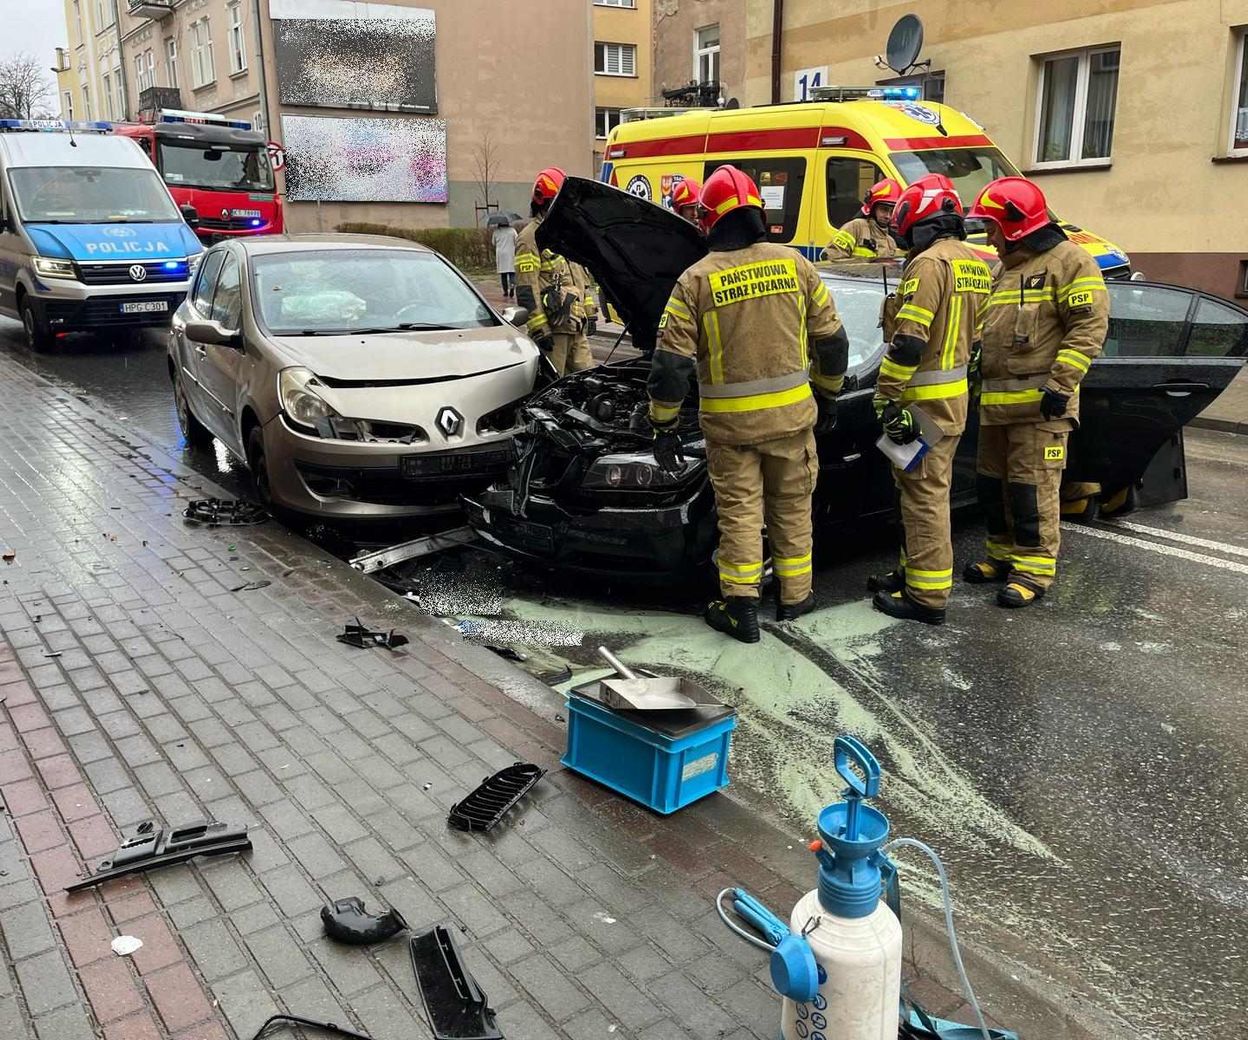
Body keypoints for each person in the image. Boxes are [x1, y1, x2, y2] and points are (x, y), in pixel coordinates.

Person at [647, 165, 849, 643]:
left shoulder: (696, 280)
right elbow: (833, 342)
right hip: (793, 421)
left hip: (732, 429)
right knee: (792, 507)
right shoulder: (796, 265)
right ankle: (796, 596)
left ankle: (741, 608)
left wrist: (663, 425)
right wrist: (828, 393)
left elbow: (670, 367)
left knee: (740, 513)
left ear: (708, 220)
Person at [963, 176, 1109, 608]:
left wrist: (1060, 385)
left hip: (1041, 409)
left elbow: (1088, 328)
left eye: (991, 227)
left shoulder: (1072, 262)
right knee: (993, 487)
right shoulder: (1005, 270)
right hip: (997, 408)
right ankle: (1001, 556)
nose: (989, 238)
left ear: (1014, 225)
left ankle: (1033, 570)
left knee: (1033, 491)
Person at [867, 175, 992, 625]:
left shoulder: (928, 265)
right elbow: (976, 339)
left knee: (924, 499)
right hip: (950, 400)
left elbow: (909, 343)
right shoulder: (975, 263)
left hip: (921, 404)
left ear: (919, 219)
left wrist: (885, 396)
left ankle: (926, 596)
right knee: (915, 491)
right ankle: (911, 572)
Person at [514, 167, 594, 375]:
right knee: (554, 383)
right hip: (554, 328)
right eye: (557, 203)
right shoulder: (530, 238)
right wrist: (540, 328)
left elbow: (581, 276)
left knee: (588, 379)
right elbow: (526, 288)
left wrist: (590, 312)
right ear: (542, 202)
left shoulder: (566, 234)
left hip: (576, 325)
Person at [822, 178, 902, 261]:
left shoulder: (891, 243)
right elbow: (832, 258)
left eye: (892, 211)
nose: (888, 216)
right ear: (873, 208)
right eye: (884, 209)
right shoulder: (856, 227)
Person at [492, 219, 518, 298]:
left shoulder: (496, 232)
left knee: (503, 274)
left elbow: (493, 243)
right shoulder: (512, 231)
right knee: (512, 272)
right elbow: (517, 241)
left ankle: (505, 291)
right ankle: (512, 286)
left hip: (501, 254)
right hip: (510, 253)